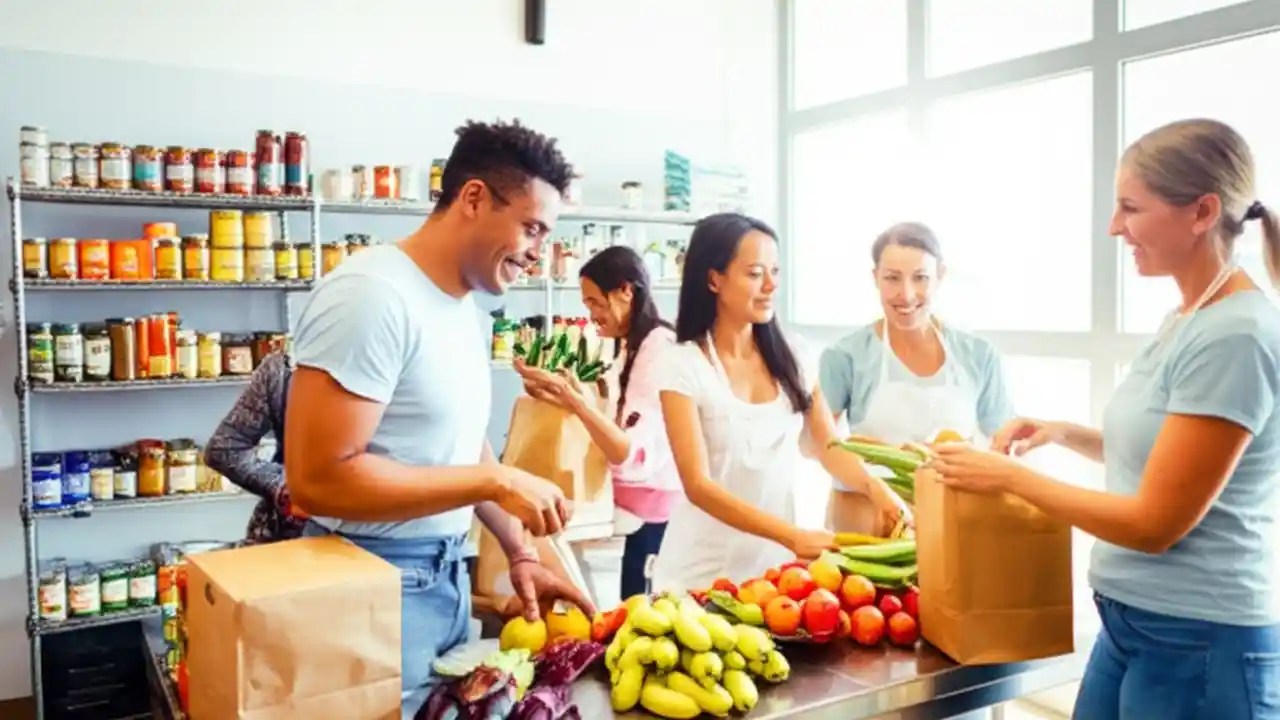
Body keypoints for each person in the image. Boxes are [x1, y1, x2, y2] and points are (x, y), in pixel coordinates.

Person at [926, 118, 1280, 719]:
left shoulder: (1236, 334)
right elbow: (1160, 456)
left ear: (1201, 212)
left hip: (1197, 642)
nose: (1116, 227)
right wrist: (1062, 432)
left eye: (1130, 208)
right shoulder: (1190, 315)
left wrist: (1006, 478)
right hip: (1132, 626)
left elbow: (1154, 523)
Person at [283, 119, 596, 714]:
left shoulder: (462, 307)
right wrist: (498, 481)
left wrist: (519, 550)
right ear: (474, 198)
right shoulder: (372, 295)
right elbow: (318, 478)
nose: (538, 251)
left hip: (440, 581)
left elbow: (451, 441)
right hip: (372, 586)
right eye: (531, 228)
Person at [651, 212, 912, 593]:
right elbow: (698, 485)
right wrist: (791, 535)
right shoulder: (683, 364)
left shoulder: (794, 355)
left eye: (775, 271)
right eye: (756, 273)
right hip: (698, 576)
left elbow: (828, 445)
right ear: (714, 279)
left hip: (773, 577)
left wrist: (876, 488)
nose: (771, 285)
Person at [819, 222, 1014, 534]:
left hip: (955, 526)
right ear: (875, 278)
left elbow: (1006, 444)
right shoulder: (846, 356)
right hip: (873, 527)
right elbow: (818, 443)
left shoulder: (978, 355)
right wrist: (871, 475)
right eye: (892, 278)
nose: (906, 295)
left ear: (940, 276)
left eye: (920, 278)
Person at [514, 245, 681, 599]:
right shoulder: (629, 346)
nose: (591, 313)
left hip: (648, 504)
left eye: (595, 302)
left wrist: (573, 398)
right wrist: (561, 394)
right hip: (629, 499)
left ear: (625, 291)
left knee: (638, 611)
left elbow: (630, 453)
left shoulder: (658, 350)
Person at [204, 350, 305, 543]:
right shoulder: (281, 370)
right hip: (287, 538)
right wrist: (286, 488)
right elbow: (225, 448)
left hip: (363, 541)